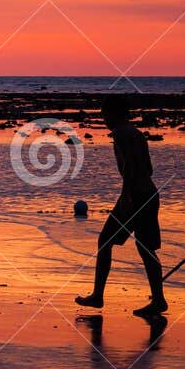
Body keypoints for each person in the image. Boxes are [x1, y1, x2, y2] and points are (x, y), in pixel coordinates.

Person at [76, 97, 167, 316]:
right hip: (149, 194)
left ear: (114, 114)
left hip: (134, 196)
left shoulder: (120, 134)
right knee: (146, 249)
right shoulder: (136, 133)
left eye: (105, 114)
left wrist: (126, 196)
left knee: (105, 241)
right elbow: (149, 169)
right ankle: (159, 299)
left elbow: (130, 168)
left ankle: (98, 296)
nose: (104, 119)